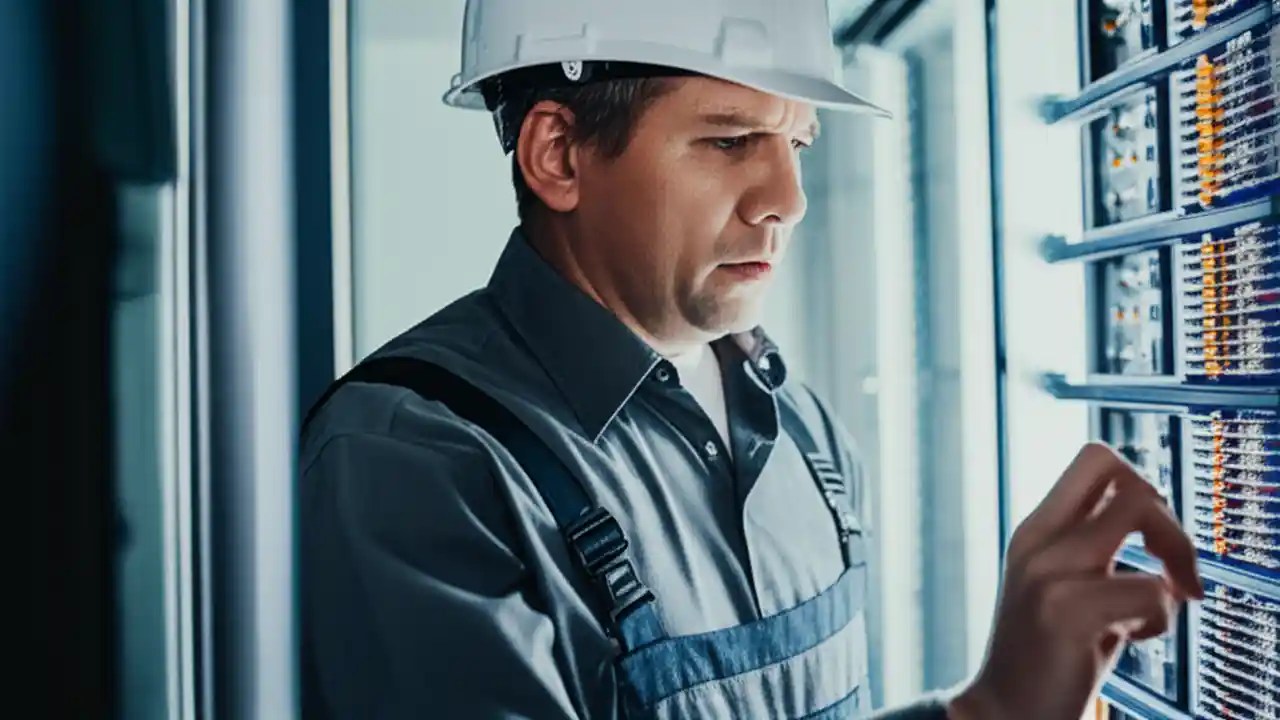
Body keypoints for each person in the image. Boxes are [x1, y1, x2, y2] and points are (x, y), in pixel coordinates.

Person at [300, 1, 1204, 717]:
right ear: (560, 154)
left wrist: (985, 714)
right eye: (730, 140)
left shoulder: (805, 434)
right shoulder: (415, 459)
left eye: (798, 143)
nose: (788, 199)